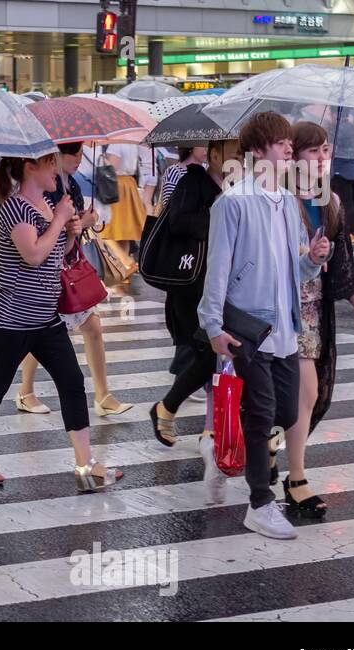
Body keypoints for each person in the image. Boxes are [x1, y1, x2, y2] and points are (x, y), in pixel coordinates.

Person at [199, 111, 329, 540]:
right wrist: (213, 326)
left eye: (289, 142)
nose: (288, 148)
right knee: (260, 416)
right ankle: (260, 502)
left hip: (287, 330)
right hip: (249, 329)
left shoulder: (289, 205)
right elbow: (217, 271)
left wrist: (313, 258)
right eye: (279, 142)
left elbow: (297, 272)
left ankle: (222, 452)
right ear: (257, 151)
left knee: (286, 412)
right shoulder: (233, 203)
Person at [0, 150, 123, 492]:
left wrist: (71, 232)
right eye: (50, 164)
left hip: (46, 316)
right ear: (30, 167)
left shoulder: (47, 207)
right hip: (12, 318)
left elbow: (55, 255)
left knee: (71, 380)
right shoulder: (15, 208)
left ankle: (85, 462)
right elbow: (33, 255)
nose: (56, 171)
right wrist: (60, 219)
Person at [284, 121, 354, 518]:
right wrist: (306, 255)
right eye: (314, 151)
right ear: (294, 154)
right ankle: (296, 479)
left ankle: (285, 457)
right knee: (304, 392)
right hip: (280, 307)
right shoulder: (278, 198)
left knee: (312, 395)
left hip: (314, 308)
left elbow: (342, 262)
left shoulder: (331, 200)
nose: (322, 158)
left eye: (326, 151)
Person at [148, 139, 239, 504]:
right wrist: (219, 212)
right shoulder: (194, 179)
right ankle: (168, 408)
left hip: (215, 287)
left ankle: (206, 430)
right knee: (206, 355)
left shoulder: (235, 186)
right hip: (189, 289)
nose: (238, 158)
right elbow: (180, 220)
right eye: (232, 152)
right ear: (214, 154)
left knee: (215, 358)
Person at [18, 141, 133, 420]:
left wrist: (88, 219)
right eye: (75, 154)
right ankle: (26, 392)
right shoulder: (49, 187)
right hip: (51, 271)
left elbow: (75, 228)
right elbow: (51, 232)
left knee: (90, 327)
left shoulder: (73, 186)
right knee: (46, 334)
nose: (80, 160)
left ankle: (102, 395)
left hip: (68, 267)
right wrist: (74, 225)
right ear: (58, 156)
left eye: (82, 154)